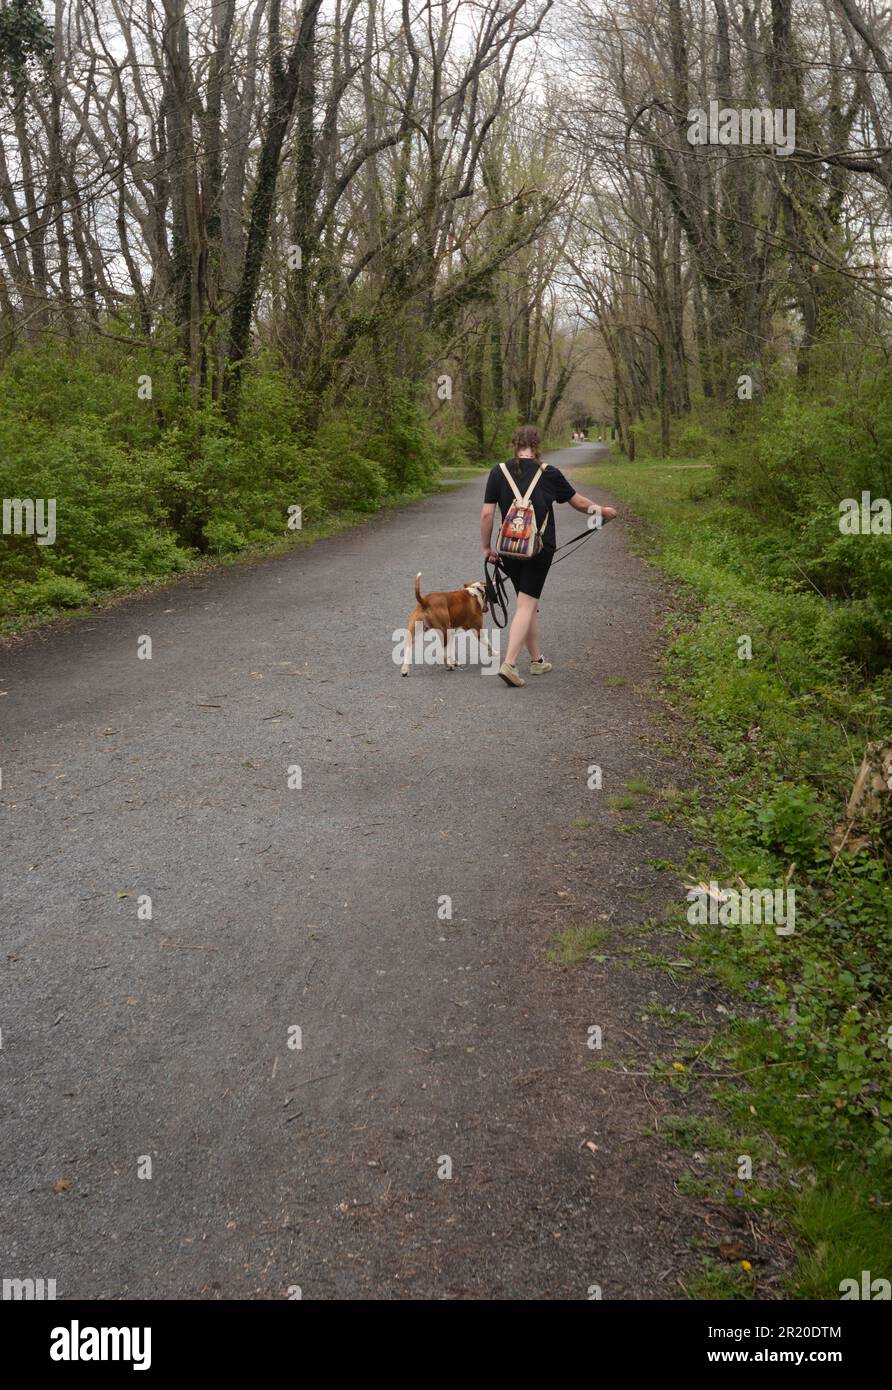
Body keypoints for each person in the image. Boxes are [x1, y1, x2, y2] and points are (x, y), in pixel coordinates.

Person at [480, 425, 617, 687]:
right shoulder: (549, 473)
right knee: (527, 603)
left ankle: (536, 661)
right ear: (537, 445)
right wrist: (604, 511)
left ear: (514, 444)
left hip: (509, 548)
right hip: (538, 549)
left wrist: (487, 549)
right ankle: (509, 664)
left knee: (526, 602)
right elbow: (579, 503)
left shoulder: (498, 472)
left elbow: (487, 514)